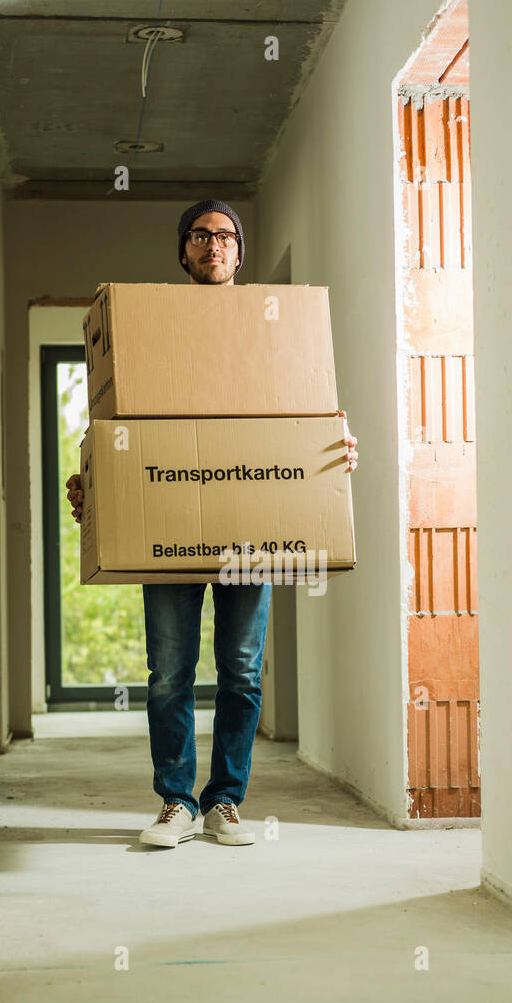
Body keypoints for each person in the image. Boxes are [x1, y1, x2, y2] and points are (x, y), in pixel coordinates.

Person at [65, 199, 358, 849]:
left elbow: (303, 416)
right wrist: (101, 484)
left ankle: (224, 801)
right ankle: (175, 802)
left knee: (242, 670)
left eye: (225, 236)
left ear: (239, 251)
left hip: (249, 528)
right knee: (169, 672)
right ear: (183, 251)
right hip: (169, 523)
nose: (213, 245)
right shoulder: (151, 329)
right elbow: (122, 424)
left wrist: (332, 458)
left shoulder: (271, 328)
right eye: (200, 235)